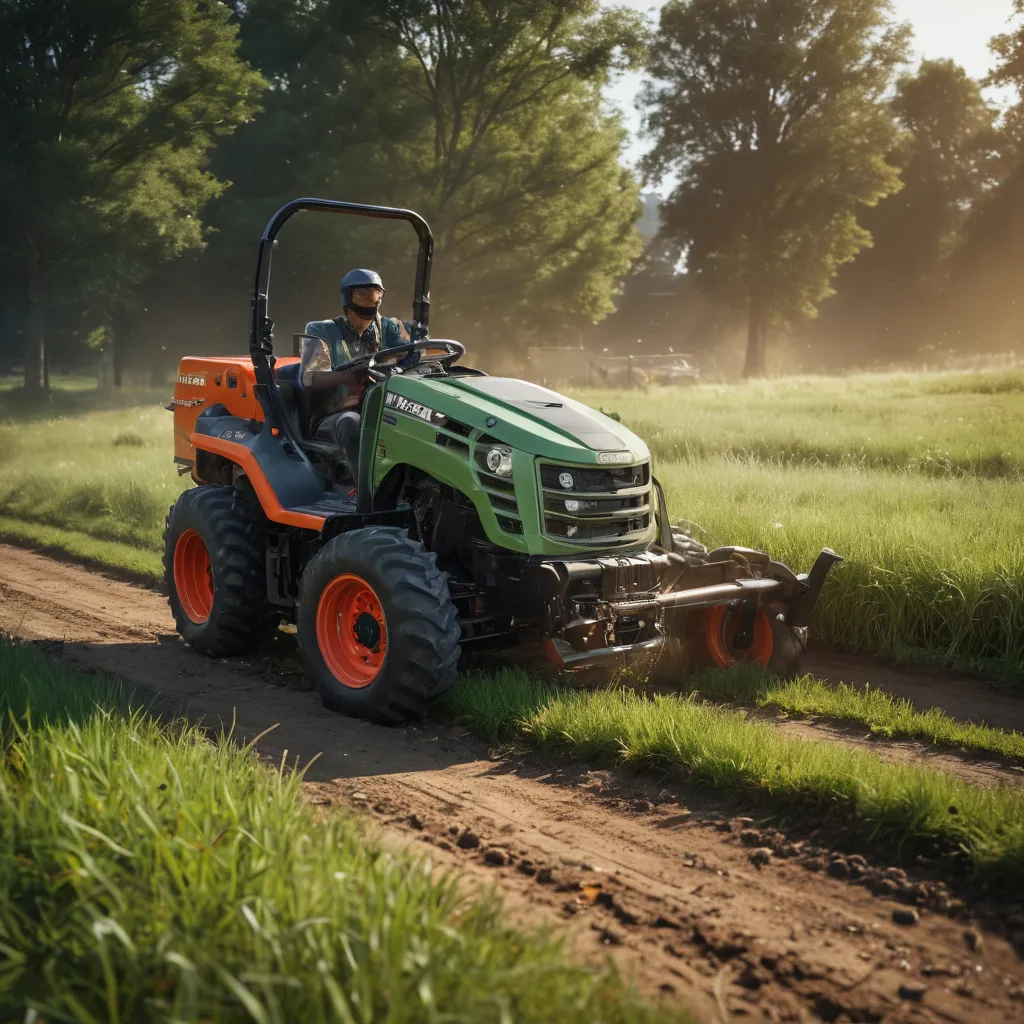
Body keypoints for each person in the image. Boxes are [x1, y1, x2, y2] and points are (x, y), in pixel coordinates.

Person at [300, 269, 413, 478]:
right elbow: (311, 379)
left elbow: (415, 353)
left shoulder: (389, 328)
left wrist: (402, 364)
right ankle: (366, 492)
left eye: (375, 295)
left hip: (382, 408)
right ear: (347, 297)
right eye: (362, 295)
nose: (370, 301)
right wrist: (348, 376)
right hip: (333, 415)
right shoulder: (323, 331)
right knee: (352, 423)